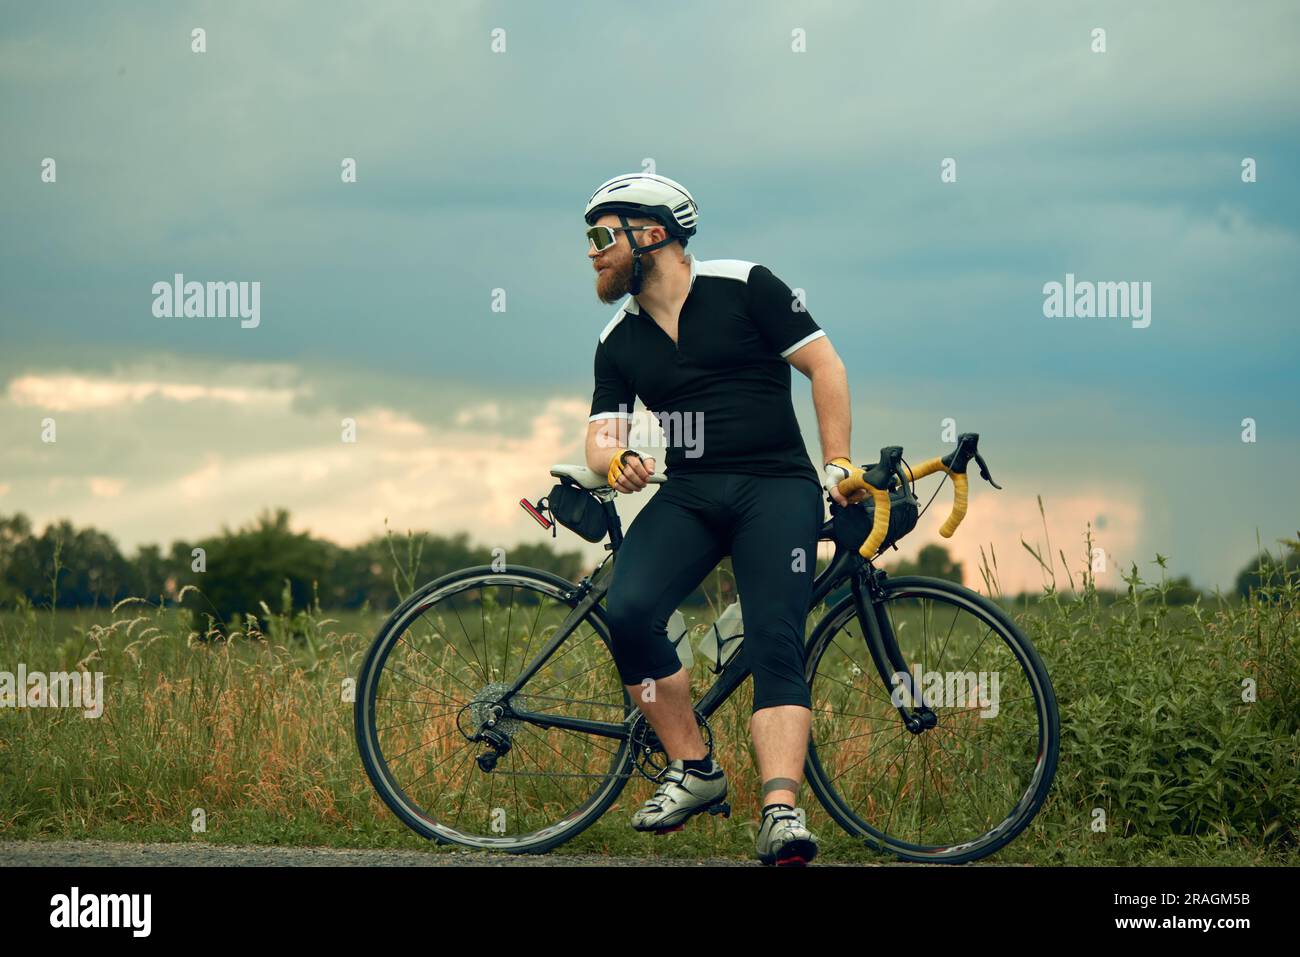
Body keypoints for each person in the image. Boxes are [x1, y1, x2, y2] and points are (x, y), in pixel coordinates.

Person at [581, 172, 866, 866]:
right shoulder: (617, 337)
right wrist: (615, 463)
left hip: (777, 487)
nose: (591, 251)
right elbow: (599, 437)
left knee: (773, 636)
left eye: (601, 236)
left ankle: (780, 812)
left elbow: (824, 366)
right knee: (629, 609)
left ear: (652, 234)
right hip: (692, 493)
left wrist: (836, 464)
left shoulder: (748, 285)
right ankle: (695, 766)